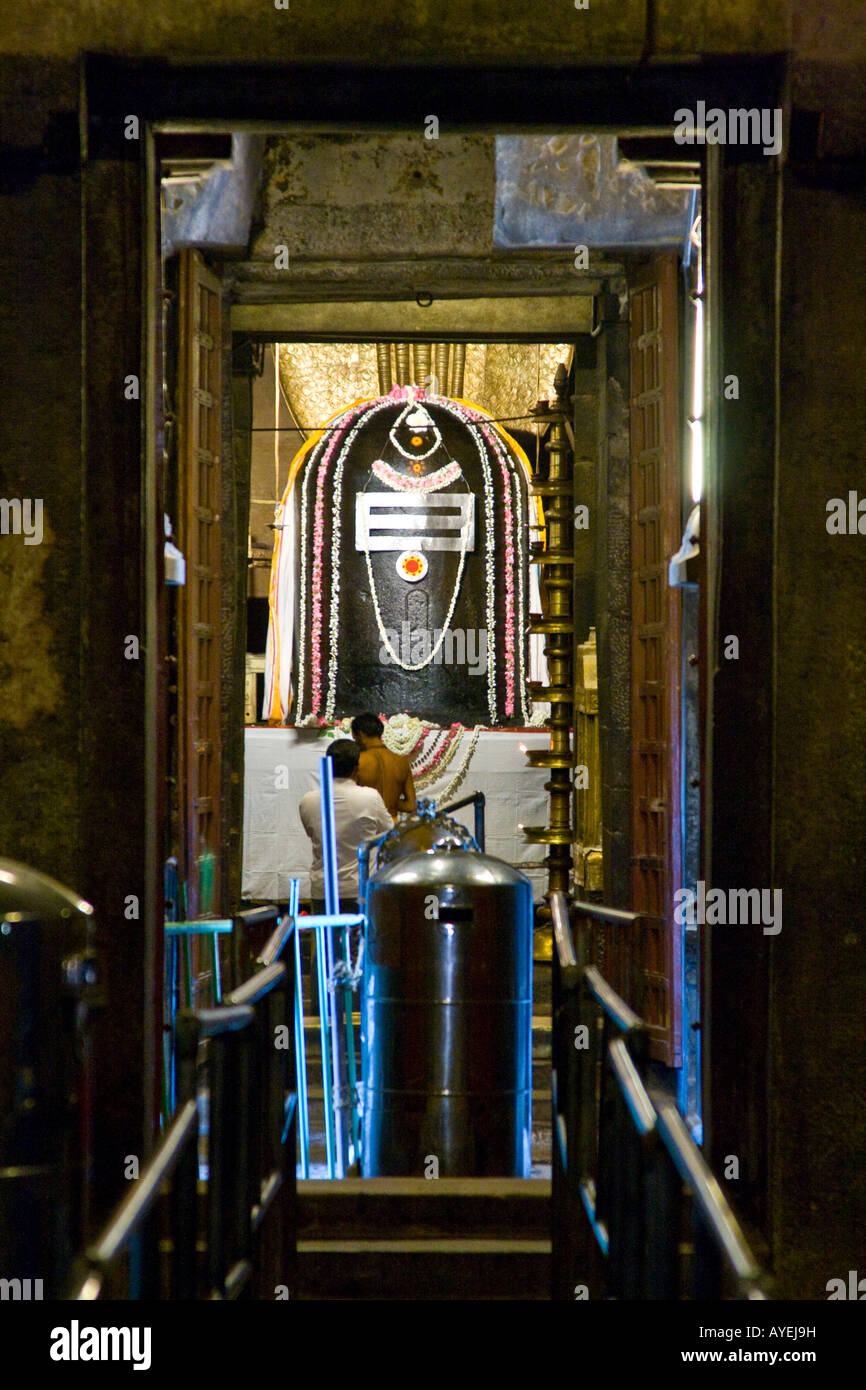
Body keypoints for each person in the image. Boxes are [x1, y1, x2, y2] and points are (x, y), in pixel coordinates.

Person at [298, 738, 393, 912]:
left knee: (326, 939)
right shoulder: (370, 797)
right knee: (363, 939)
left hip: (323, 889)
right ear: (357, 768)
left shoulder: (308, 800)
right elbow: (390, 834)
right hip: (360, 888)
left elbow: (312, 833)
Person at [351, 712, 417, 819]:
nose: (355, 742)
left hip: (367, 827)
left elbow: (350, 801)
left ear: (360, 734)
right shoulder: (401, 760)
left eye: (355, 738)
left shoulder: (358, 761)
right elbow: (411, 806)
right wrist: (390, 801)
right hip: (391, 827)